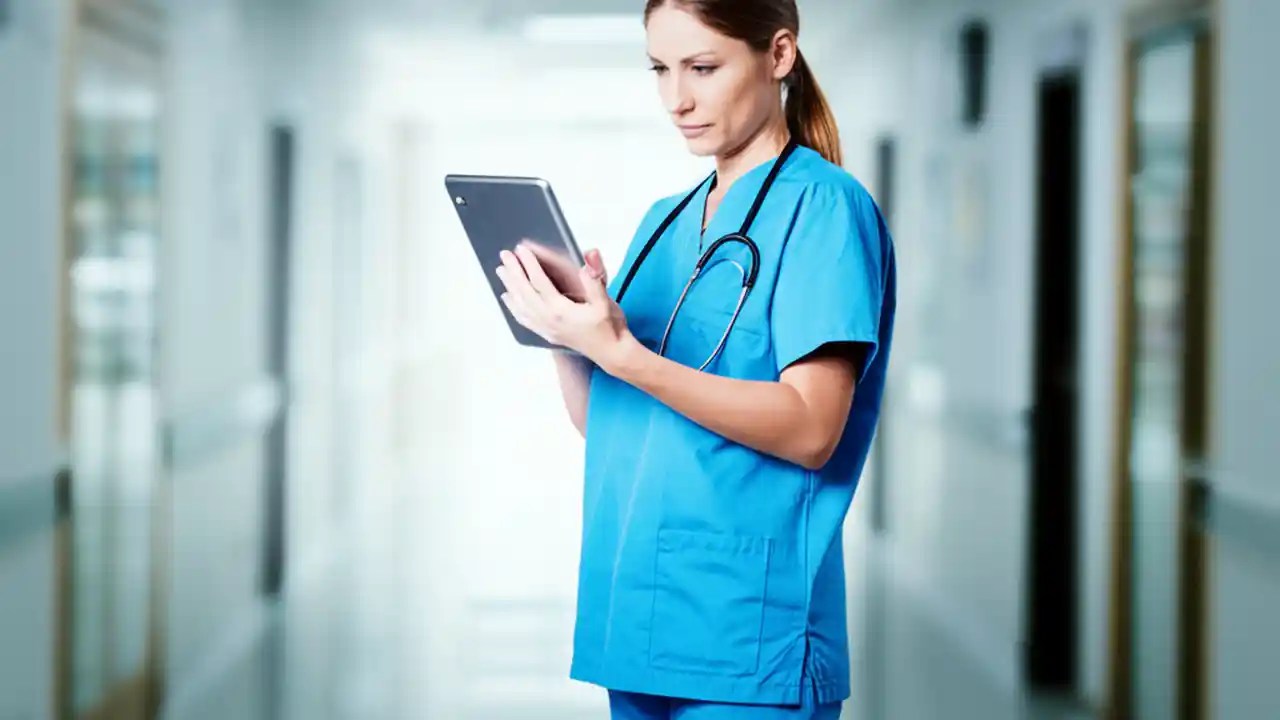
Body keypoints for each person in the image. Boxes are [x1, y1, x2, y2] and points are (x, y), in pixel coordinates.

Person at [493, 1, 896, 717]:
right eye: (661, 69)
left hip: (747, 635)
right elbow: (615, 428)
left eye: (703, 68)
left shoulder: (826, 210)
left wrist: (624, 355)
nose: (677, 99)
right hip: (637, 616)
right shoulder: (665, 220)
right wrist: (568, 341)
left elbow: (812, 428)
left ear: (779, 56)